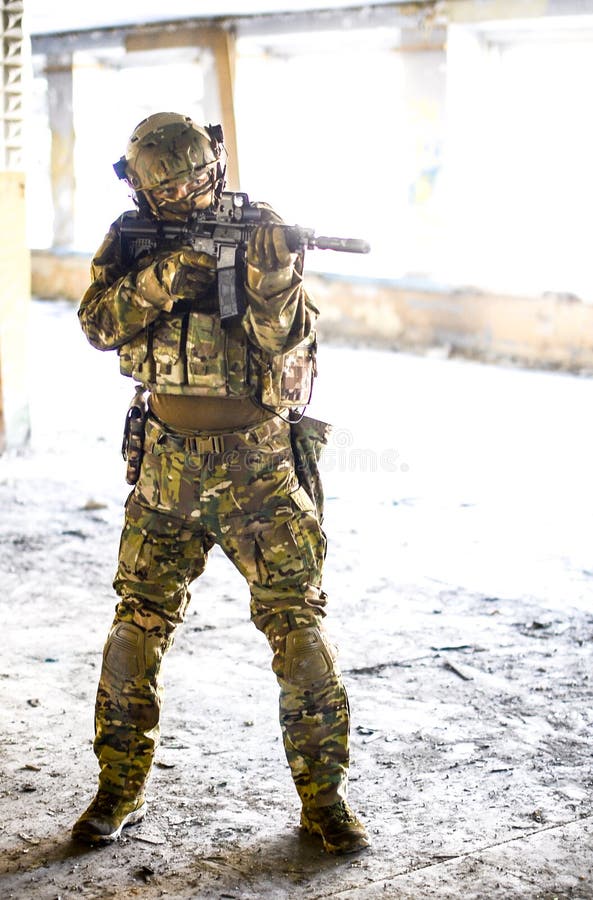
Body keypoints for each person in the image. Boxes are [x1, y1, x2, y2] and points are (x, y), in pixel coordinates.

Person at [72, 112, 369, 855]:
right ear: (143, 187)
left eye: (201, 175)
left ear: (218, 162)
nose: (192, 192)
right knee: (133, 634)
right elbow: (98, 324)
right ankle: (117, 792)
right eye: (171, 185)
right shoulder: (130, 238)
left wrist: (267, 274)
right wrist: (165, 279)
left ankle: (324, 804)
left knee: (298, 634)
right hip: (167, 466)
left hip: (258, 468)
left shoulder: (262, 227)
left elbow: (281, 341)